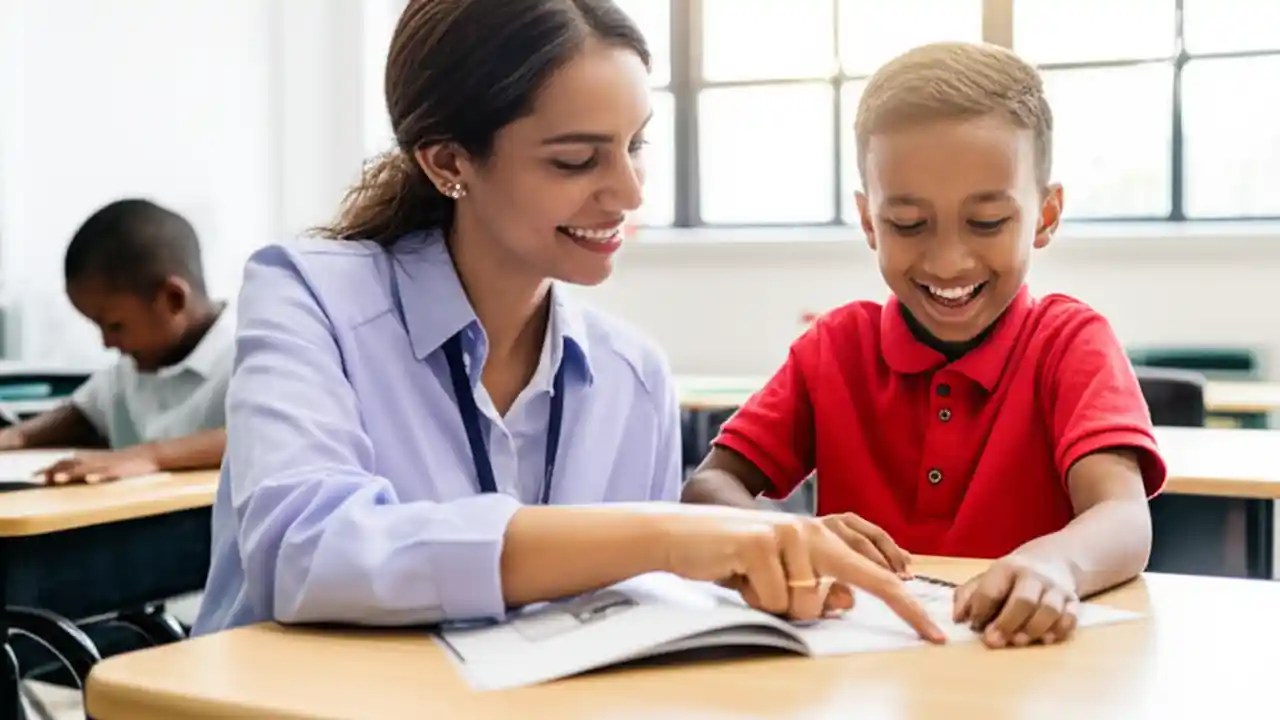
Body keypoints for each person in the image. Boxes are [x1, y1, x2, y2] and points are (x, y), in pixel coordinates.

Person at [193, 0, 941, 642]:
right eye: (577, 161)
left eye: (636, 145)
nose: (628, 192)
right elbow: (305, 552)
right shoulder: (307, 293)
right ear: (448, 161)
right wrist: (679, 535)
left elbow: (631, 612)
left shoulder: (632, 372)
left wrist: (761, 573)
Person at [682, 42, 1166, 649]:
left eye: (987, 223)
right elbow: (708, 486)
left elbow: (1124, 517)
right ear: (868, 221)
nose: (947, 260)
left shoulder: (1070, 343)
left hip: (1023, 673)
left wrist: (1056, 565)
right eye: (908, 225)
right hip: (862, 674)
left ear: (1045, 216)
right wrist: (789, 536)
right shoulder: (835, 347)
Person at [0, 199, 231, 483]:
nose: (107, 342)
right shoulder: (130, 369)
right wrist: (14, 437)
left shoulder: (254, 353)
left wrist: (149, 456)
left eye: (114, 325)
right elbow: (81, 413)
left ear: (173, 299)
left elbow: (265, 436)